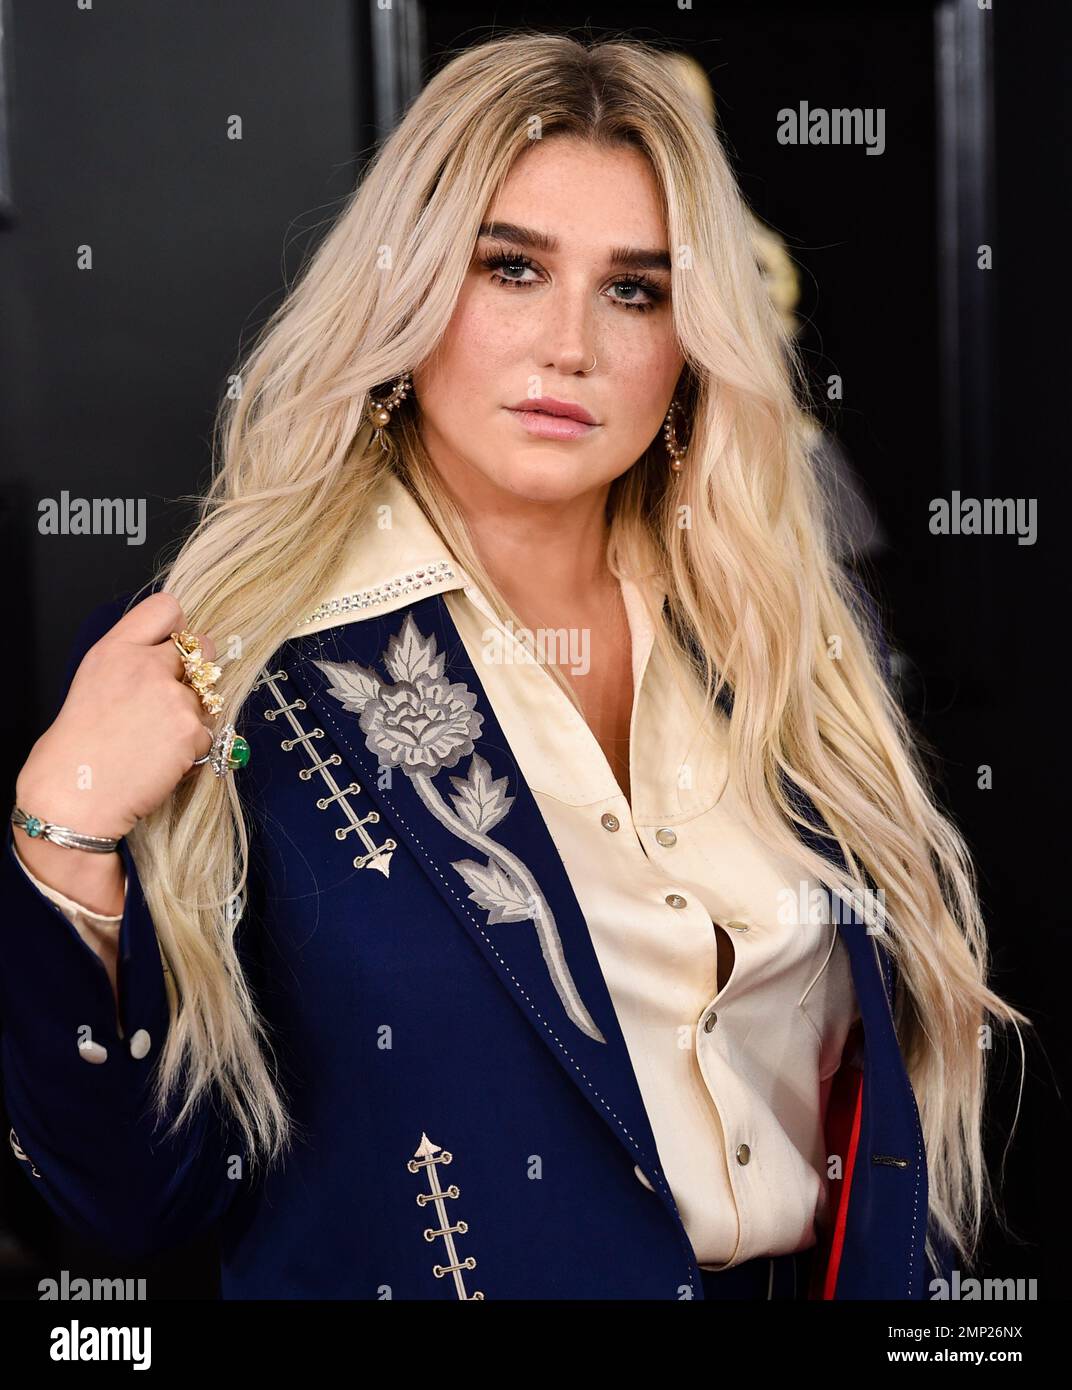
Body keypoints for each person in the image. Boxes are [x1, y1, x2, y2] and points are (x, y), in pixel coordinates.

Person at [2, 32, 1028, 1301]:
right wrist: (64, 835)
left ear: (693, 341)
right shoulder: (230, 662)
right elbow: (130, 1201)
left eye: (636, 289)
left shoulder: (783, 642)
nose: (570, 346)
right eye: (511, 267)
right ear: (408, 288)